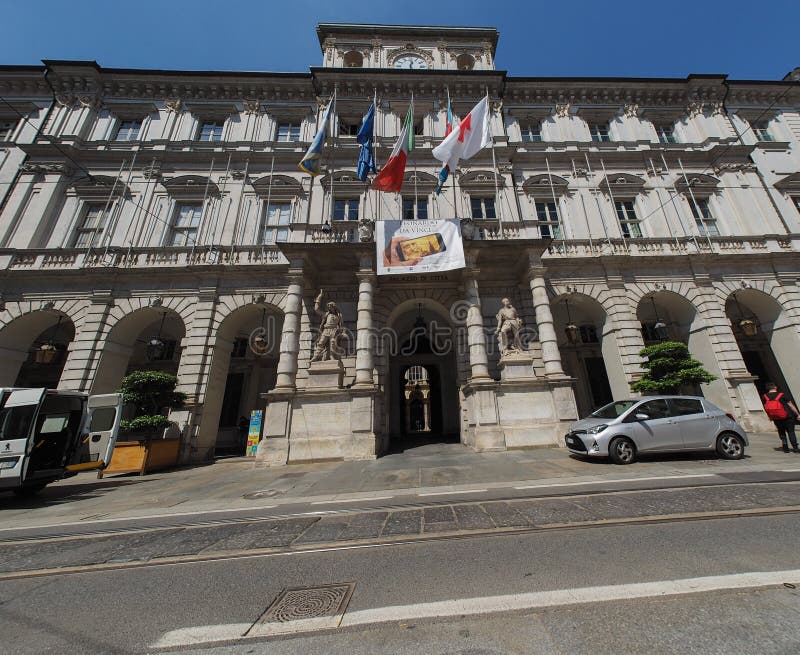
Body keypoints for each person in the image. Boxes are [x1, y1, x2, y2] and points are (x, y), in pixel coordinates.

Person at [762, 382, 800, 453]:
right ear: (775, 387)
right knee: (791, 431)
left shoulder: (765, 397)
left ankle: (785, 447)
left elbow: (766, 407)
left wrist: (770, 416)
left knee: (781, 431)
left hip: (776, 417)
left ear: (768, 389)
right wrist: (797, 414)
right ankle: (795, 448)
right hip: (787, 416)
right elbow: (791, 405)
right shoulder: (782, 395)